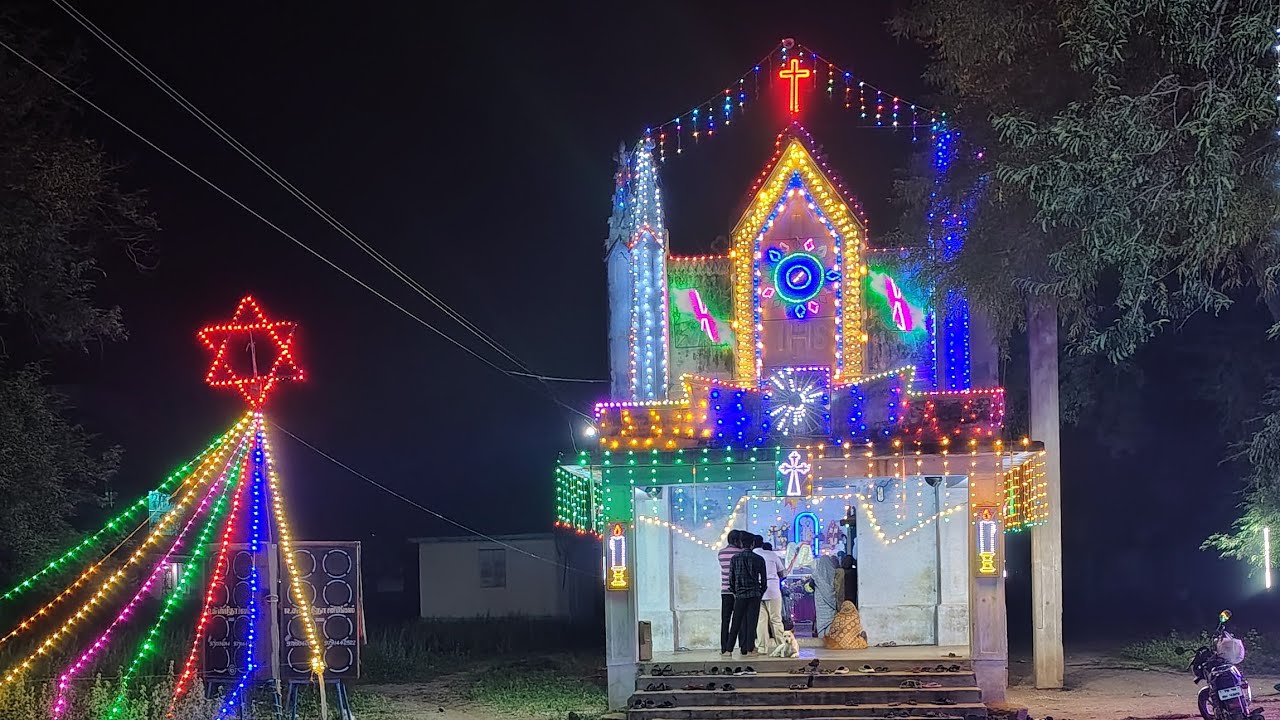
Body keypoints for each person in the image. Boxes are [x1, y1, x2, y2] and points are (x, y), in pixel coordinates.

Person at [727, 533, 767, 656]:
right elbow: (764, 581)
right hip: (754, 594)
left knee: (736, 622)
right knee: (752, 623)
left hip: (740, 595)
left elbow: (731, 579)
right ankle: (750, 649)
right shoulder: (759, 559)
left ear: (741, 543)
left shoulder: (735, 558)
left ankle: (729, 650)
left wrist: (735, 591)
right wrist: (760, 593)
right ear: (752, 544)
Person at [754, 536, 785, 653]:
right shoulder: (772, 555)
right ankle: (782, 646)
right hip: (772, 590)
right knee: (776, 619)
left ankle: (762, 648)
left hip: (757, 591)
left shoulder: (752, 555)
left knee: (761, 621)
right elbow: (782, 573)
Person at [718, 530, 743, 656]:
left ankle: (724, 647)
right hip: (738, 591)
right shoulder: (740, 553)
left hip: (725, 590)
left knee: (725, 620)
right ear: (737, 540)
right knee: (740, 620)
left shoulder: (721, 553)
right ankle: (742, 646)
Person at [813, 554, 839, 637]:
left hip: (821, 611)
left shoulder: (815, 577)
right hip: (831, 611)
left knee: (822, 634)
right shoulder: (834, 573)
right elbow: (832, 593)